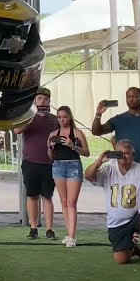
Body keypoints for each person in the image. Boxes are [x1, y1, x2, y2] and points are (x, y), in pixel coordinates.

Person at [85, 139, 140, 272]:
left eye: (127, 153)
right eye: (120, 153)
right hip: (117, 221)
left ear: (133, 155)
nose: (124, 156)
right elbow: (88, 176)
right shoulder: (108, 167)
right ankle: (133, 247)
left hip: (137, 214)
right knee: (121, 259)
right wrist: (99, 161)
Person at [91, 87, 140, 182]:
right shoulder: (118, 119)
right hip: (121, 169)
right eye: (129, 97)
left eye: (135, 96)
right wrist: (98, 114)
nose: (131, 99)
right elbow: (96, 131)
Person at [13, 88, 57, 240]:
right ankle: (33, 227)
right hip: (30, 161)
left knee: (47, 196)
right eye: (39, 98)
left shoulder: (54, 119)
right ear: (34, 101)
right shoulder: (27, 117)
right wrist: (31, 117)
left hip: (49, 163)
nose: (42, 101)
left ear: (49, 101)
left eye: (45, 99)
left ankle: (49, 229)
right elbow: (17, 130)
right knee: (32, 196)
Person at [48, 105, 90, 248]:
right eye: (59, 117)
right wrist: (50, 146)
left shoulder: (77, 133)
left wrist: (73, 145)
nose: (62, 120)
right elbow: (50, 157)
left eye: (64, 117)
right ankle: (69, 233)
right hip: (58, 166)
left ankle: (72, 236)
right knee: (64, 201)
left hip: (73, 165)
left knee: (71, 202)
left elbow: (86, 152)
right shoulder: (53, 134)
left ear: (69, 117)